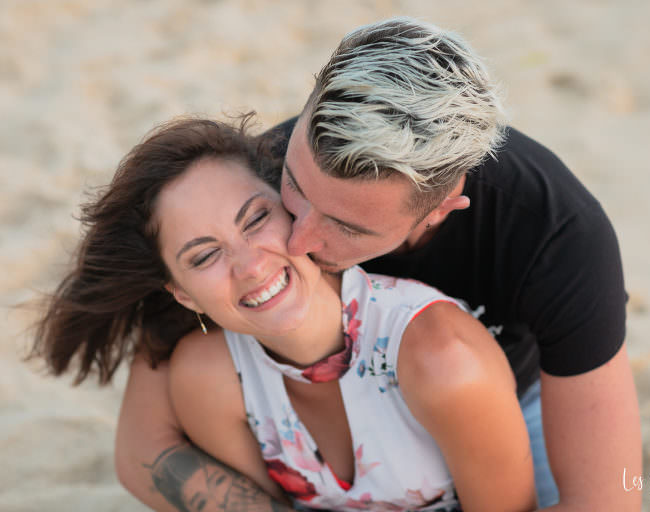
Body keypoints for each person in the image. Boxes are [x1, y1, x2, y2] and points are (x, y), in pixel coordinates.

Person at [115, 17, 642, 511]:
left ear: (440, 208)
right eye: (293, 191)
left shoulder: (556, 235)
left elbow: (608, 501)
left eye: (345, 226)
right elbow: (144, 448)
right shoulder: (255, 183)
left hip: (510, 403)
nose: (297, 238)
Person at [31, 115, 536, 511]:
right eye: (204, 256)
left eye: (256, 218)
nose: (250, 265)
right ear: (183, 294)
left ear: (296, 207)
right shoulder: (210, 376)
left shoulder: (443, 358)